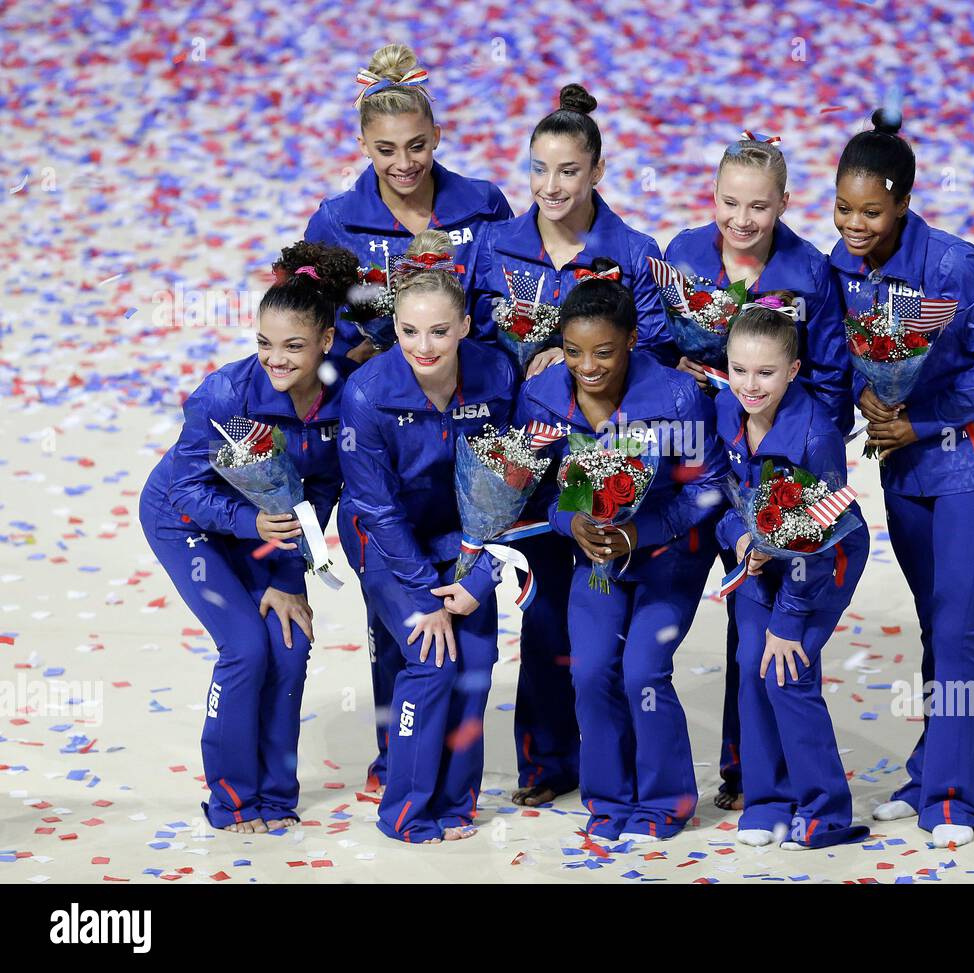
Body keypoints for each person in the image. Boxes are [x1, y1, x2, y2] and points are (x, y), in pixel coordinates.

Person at [462, 83, 676, 808]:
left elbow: (664, 351)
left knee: (610, 614)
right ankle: (547, 760)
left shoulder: (635, 252)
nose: (551, 186)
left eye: (568, 171)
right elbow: (470, 339)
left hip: (611, 461)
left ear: (597, 172)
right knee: (543, 610)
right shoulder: (495, 246)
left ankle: (629, 769)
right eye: (538, 169)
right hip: (526, 459)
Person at [830, 108, 974, 848]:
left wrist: (921, 418)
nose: (855, 224)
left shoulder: (952, 263)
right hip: (904, 470)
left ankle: (951, 797)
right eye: (844, 209)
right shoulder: (841, 263)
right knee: (933, 626)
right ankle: (924, 771)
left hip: (971, 468)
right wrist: (868, 399)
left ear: (905, 202)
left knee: (955, 626)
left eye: (872, 212)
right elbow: (838, 355)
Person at [138, 241, 357, 833]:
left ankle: (276, 796)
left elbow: (318, 496)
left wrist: (288, 577)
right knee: (246, 648)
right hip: (186, 523)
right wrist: (250, 526)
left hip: (265, 530)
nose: (275, 359)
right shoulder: (226, 394)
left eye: (292, 346)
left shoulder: (347, 401)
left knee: (289, 644)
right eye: (264, 343)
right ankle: (231, 800)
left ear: (327, 343)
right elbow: (185, 491)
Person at [665, 132, 853, 811]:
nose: (742, 219)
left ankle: (760, 776)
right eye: (728, 202)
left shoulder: (809, 270)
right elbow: (656, 349)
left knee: (771, 626)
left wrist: (799, 455)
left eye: (759, 207)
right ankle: (744, 771)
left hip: (778, 470)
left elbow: (830, 372)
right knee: (734, 622)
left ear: (784, 204)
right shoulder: (683, 254)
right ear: (711, 196)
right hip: (703, 465)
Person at [514, 258, 729, 842]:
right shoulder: (538, 396)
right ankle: (607, 798)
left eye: (604, 352)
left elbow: (709, 489)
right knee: (589, 673)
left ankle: (666, 801)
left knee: (642, 673)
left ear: (633, 340)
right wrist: (570, 520)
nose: (588, 367)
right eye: (575, 351)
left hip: (669, 557)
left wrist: (642, 532)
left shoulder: (679, 396)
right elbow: (527, 494)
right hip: (597, 559)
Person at [338, 242, 517, 843]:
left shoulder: (498, 375)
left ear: (465, 325)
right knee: (432, 656)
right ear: (393, 326)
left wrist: (478, 580)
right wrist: (427, 597)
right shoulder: (366, 394)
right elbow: (377, 509)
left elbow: (518, 486)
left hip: (470, 538)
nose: (425, 346)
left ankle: (453, 804)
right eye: (410, 331)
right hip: (384, 538)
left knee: (477, 664)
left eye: (441, 331)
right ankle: (406, 809)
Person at [714, 303, 869, 849]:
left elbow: (817, 542)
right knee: (749, 662)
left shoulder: (817, 435)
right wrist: (737, 535)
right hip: (758, 554)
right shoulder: (721, 411)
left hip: (823, 562)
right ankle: (767, 800)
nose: (749, 385)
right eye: (738, 369)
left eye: (765, 372)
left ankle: (825, 811)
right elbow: (718, 494)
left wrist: (790, 617)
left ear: (794, 371)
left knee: (786, 668)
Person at [306, 42, 512, 364]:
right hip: (368, 397)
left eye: (416, 146)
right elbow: (307, 325)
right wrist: (347, 364)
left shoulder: (485, 206)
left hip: (475, 390)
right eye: (386, 150)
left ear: (436, 137)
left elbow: (506, 306)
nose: (404, 163)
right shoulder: (334, 223)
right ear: (364, 146)